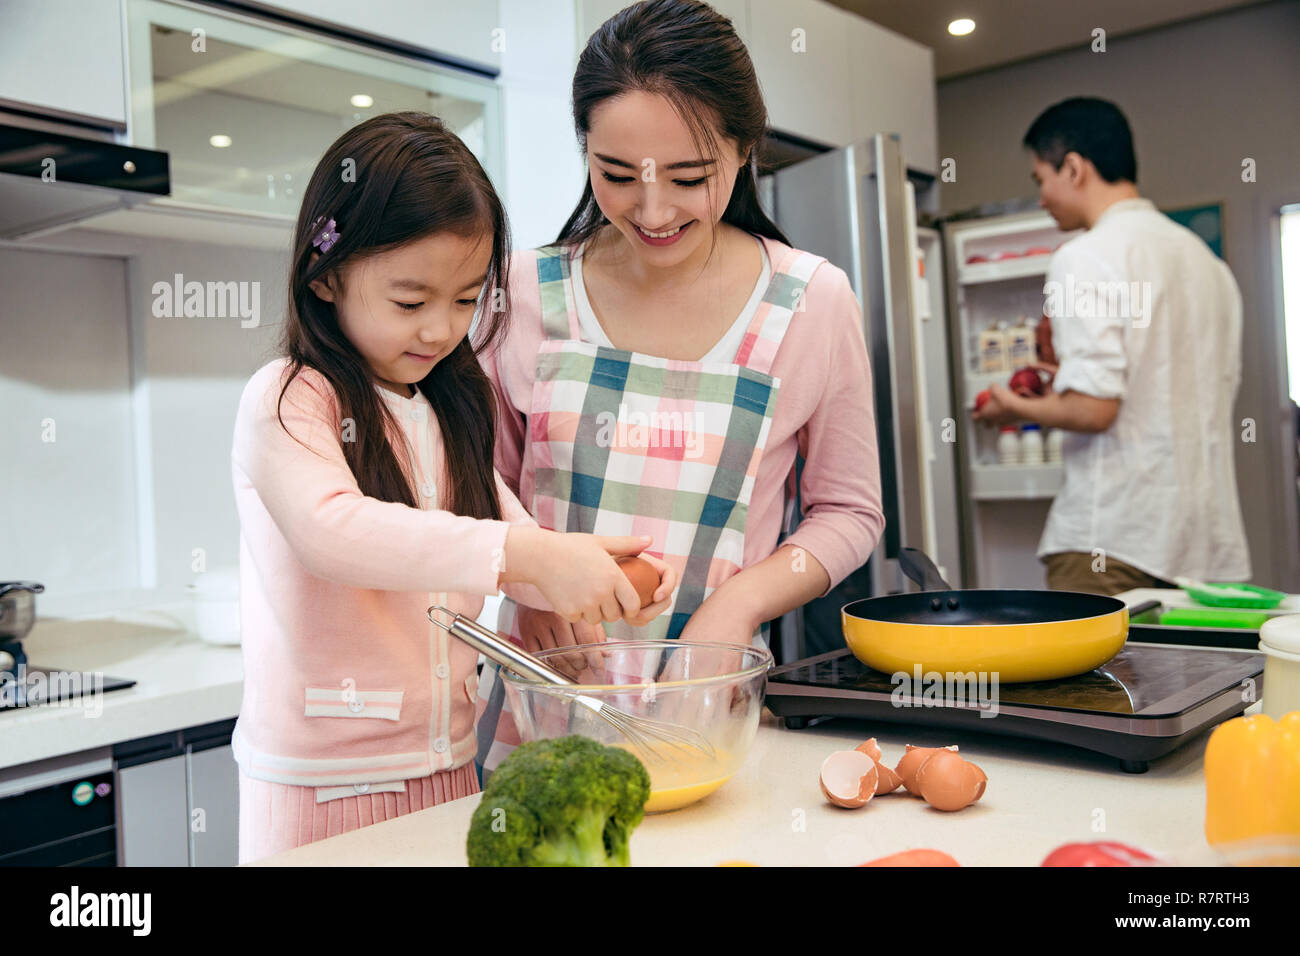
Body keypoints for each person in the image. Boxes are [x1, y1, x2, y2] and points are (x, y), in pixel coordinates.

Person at [230, 112, 674, 861]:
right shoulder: (290, 398)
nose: (440, 330)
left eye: (466, 300)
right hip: (320, 785)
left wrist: (588, 574)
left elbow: (513, 543)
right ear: (326, 272)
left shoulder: (449, 404)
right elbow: (336, 533)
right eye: (411, 301)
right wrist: (531, 560)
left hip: (446, 771)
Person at [475, 0, 885, 775]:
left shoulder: (810, 302)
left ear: (743, 148)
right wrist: (529, 578)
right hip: (542, 701)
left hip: (711, 707)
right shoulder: (519, 290)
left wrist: (738, 606)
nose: (652, 211)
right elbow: (476, 481)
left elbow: (851, 511)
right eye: (617, 176)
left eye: (690, 177)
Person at [974, 97, 1250, 594]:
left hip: (1114, 543)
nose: (1041, 198)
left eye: (1040, 179)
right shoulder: (1209, 266)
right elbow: (1169, 387)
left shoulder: (1085, 256)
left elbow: (1096, 408)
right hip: (1205, 551)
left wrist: (1009, 406)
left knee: (1094, 676)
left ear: (1074, 167)